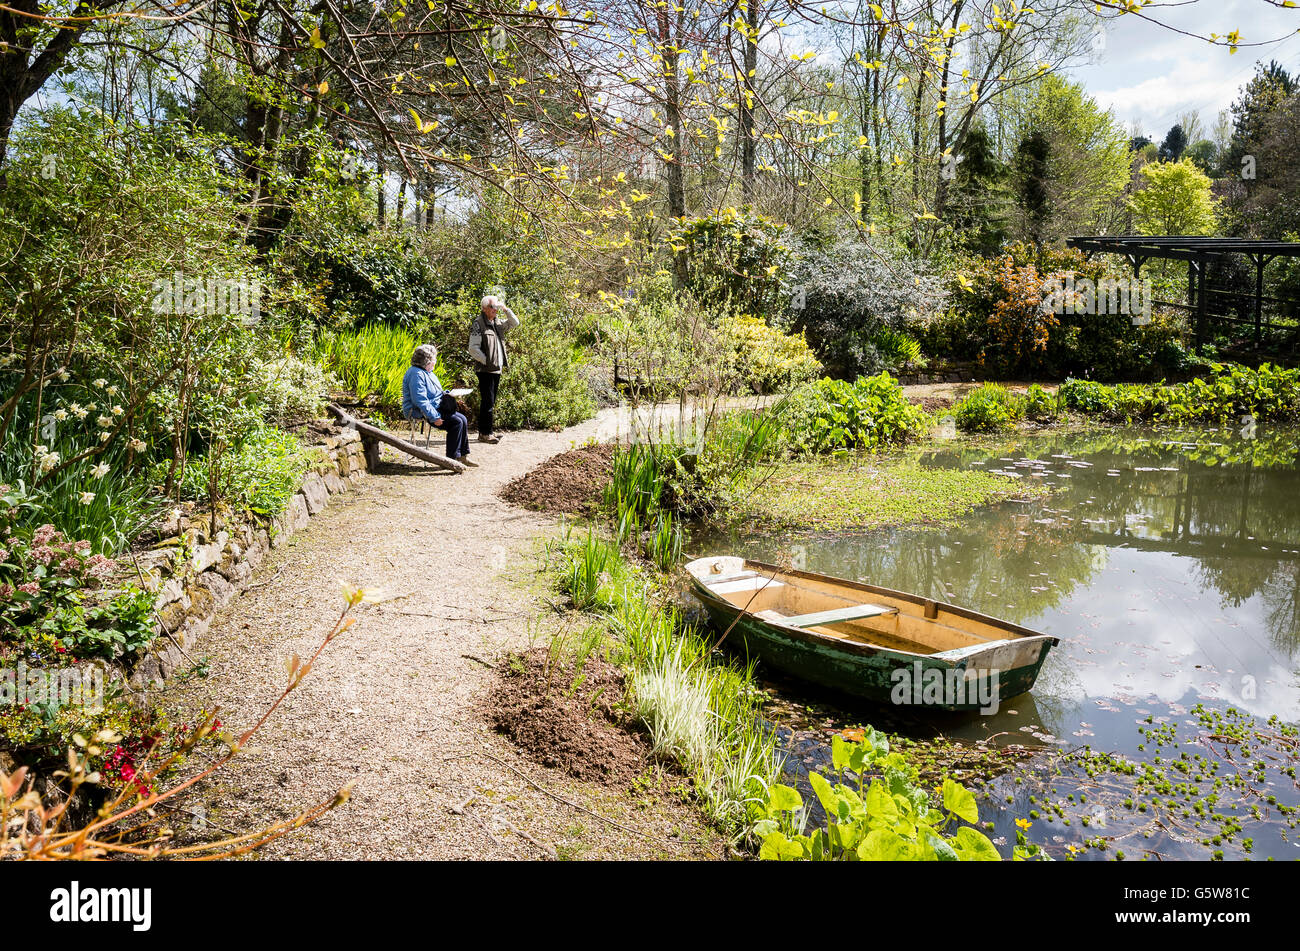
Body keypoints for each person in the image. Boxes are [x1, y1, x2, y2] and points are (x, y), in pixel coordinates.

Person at [401, 344, 476, 467]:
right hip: (419, 411)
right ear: (426, 361)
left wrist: (449, 394)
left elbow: (434, 393)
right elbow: (420, 400)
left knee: (462, 419)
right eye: (433, 360)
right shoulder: (416, 374)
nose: (435, 362)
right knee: (456, 422)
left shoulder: (427, 371)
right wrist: (434, 417)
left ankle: (462, 456)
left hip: (435, 407)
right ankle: (450, 460)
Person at [467, 295, 520, 444]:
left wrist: (506, 309)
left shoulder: (497, 323)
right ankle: (485, 433)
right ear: (484, 309)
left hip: (496, 369)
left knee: (490, 401)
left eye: (496, 307)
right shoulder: (478, 323)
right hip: (485, 370)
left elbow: (515, 323)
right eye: (492, 307)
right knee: (487, 401)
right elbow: (473, 348)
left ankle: (487, 431)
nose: (495, 310)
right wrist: (487, 361)